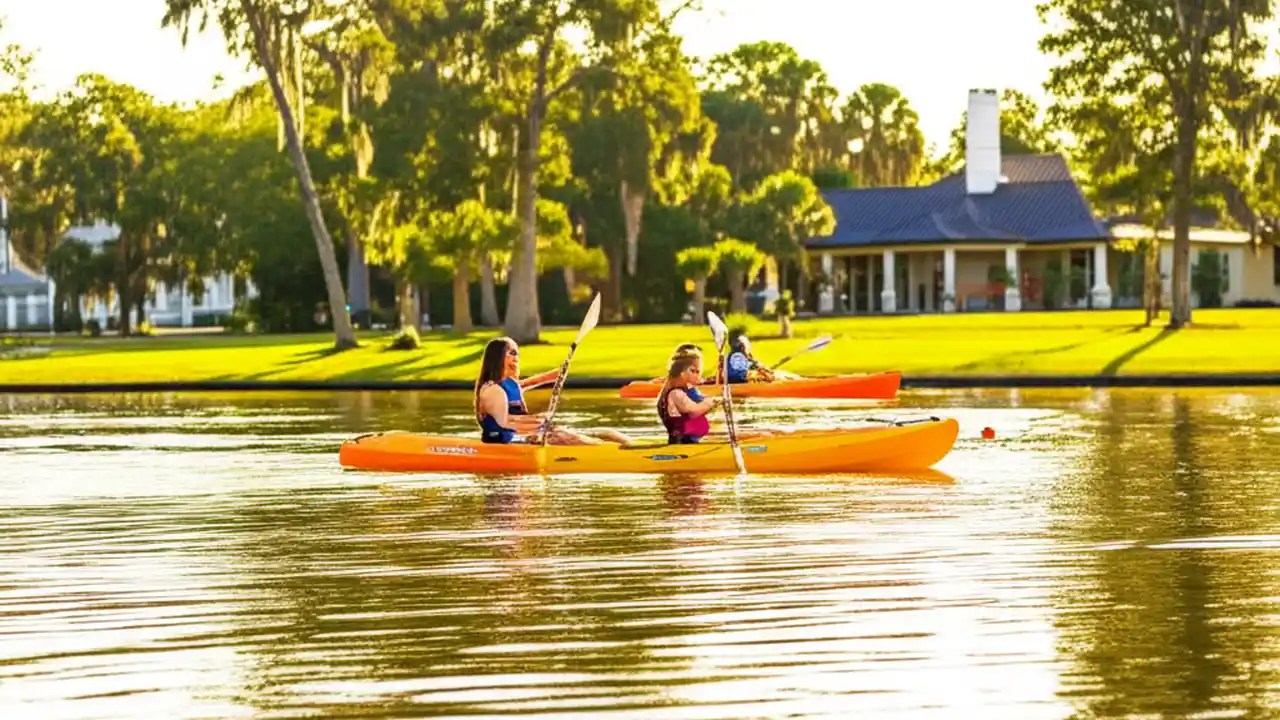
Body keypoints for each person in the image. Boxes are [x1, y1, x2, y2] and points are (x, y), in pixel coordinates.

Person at [474, 337, 632, 445]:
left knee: (605, 432)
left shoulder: (508, 385)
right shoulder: (493, 390)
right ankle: (607, 452)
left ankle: (628, 445)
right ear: (497, 357)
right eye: (512, 353)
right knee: (564, 435)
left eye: (518, 354)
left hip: (528, 435)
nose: (517, 359)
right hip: (509, 442)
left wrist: (553, 376)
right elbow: (505, 424)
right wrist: (539, 423)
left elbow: (523, 385)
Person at [656, 351, 722, 444]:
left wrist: (712, 405)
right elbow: (693, 410)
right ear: (682, 373)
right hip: (681, 442)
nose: (698, 375)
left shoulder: (683, 391)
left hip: (690, 441)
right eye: (693, 371)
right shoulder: (675, 393)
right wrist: (711, 402)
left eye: (698, 372)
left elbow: (694, 413)